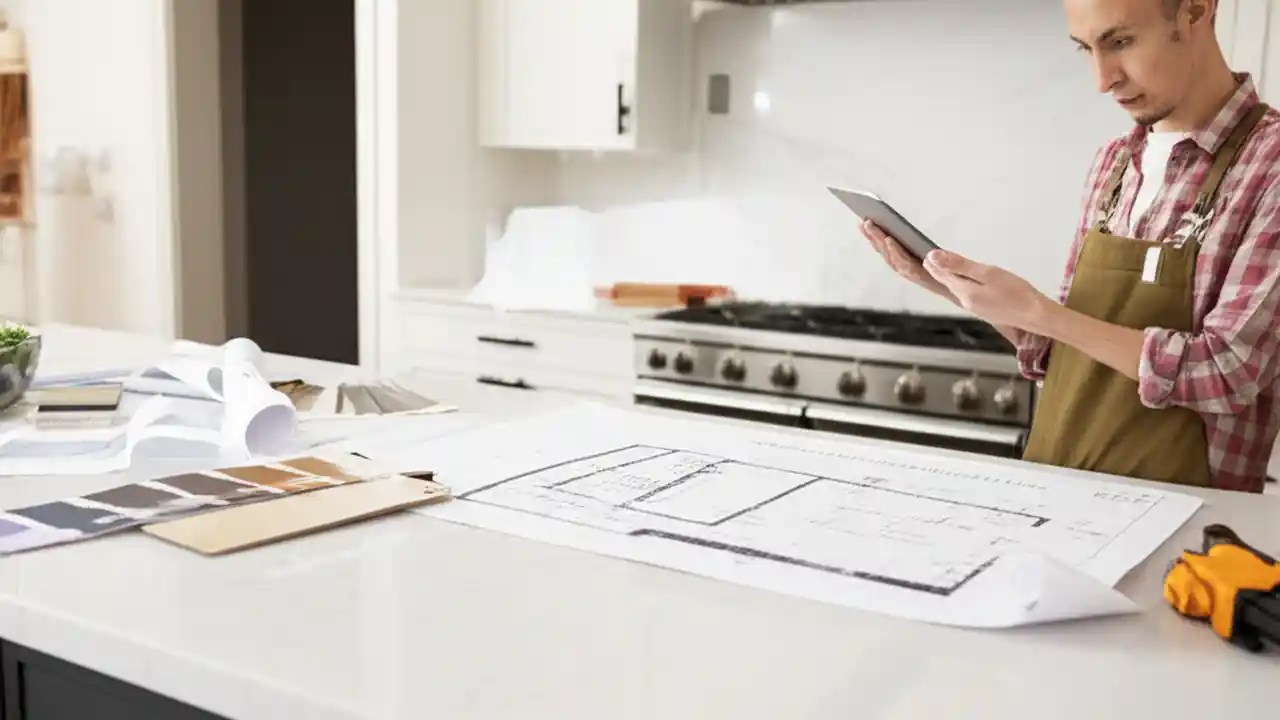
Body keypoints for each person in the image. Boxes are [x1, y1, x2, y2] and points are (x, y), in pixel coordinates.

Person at [862, 0, 1280, 493]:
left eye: (1120, 42)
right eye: (1086, 50)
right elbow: (1069, 352)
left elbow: (1229, 371)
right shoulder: (1114, 162)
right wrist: (955, 289)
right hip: (1061, 492)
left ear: (1195, 9)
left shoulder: (1268, 164)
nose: (1102, 80)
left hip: (1186, 521)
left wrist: (1044, 313)